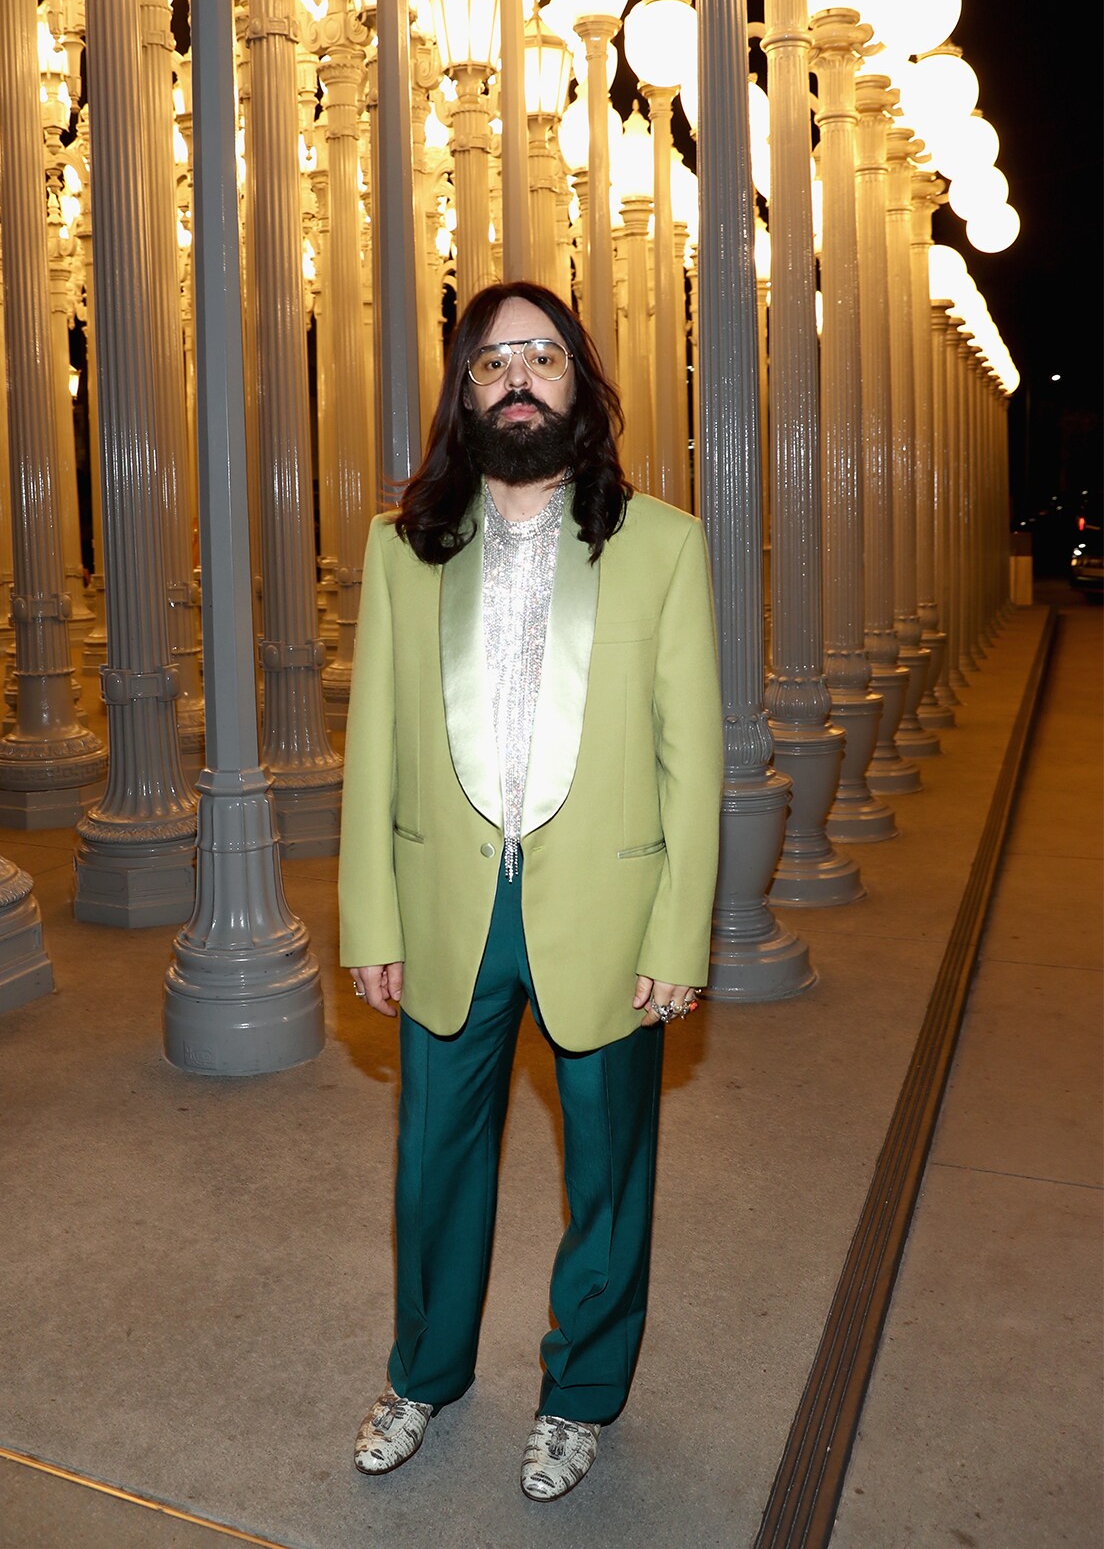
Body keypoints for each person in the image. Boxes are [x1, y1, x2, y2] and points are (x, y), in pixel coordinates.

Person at [338, 281, 722, 1501]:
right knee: (433, 1167)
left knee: (609, 1176)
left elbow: (691, 755)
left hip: (608, 911)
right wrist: (370, 916)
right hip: (450, 906)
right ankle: (424, 1373)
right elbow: (375, 750)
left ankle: (581, 1397)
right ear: (464, 393)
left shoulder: (660, 542)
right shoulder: (405, 551)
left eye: (542, 356)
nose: (518, 377)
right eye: (493, 359)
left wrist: (680, 931)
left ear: (579, 385)